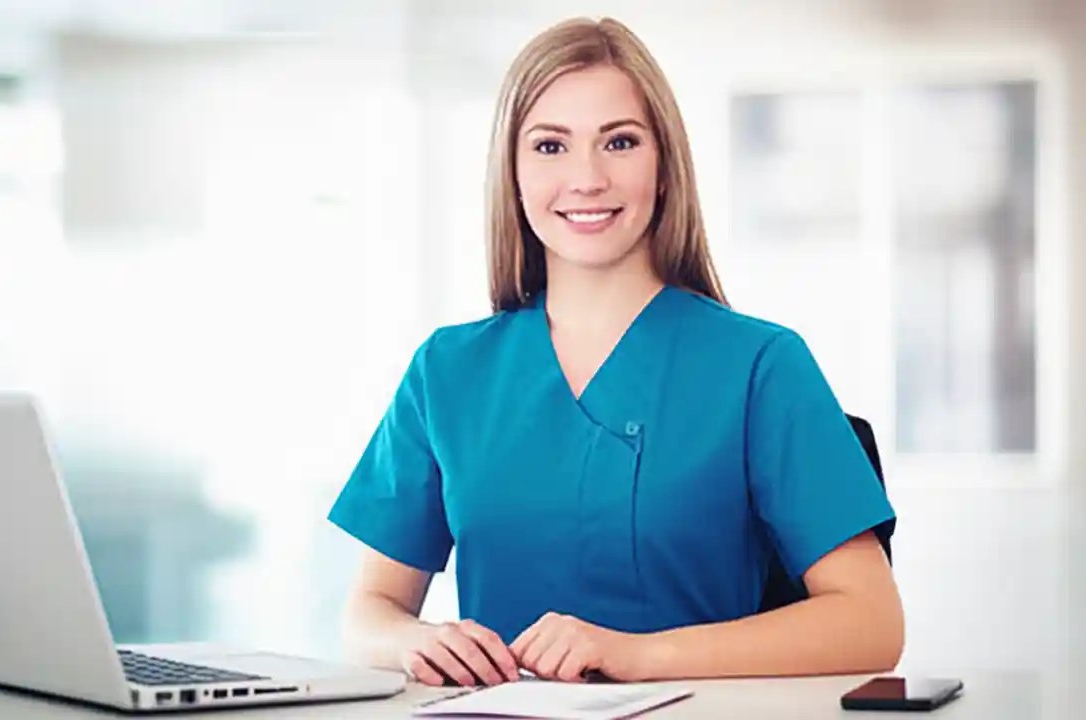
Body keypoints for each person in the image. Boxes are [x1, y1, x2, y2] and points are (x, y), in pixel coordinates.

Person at [327, 16, 902, 686]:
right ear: (511, 175)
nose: (587, 178)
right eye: (549, 147)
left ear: (664, 169)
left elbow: (871, 622)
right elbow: (369, 611)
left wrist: (638, 655)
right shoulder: (446, 373)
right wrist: (412, 642)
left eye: (620, 142)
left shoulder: (761, 367)